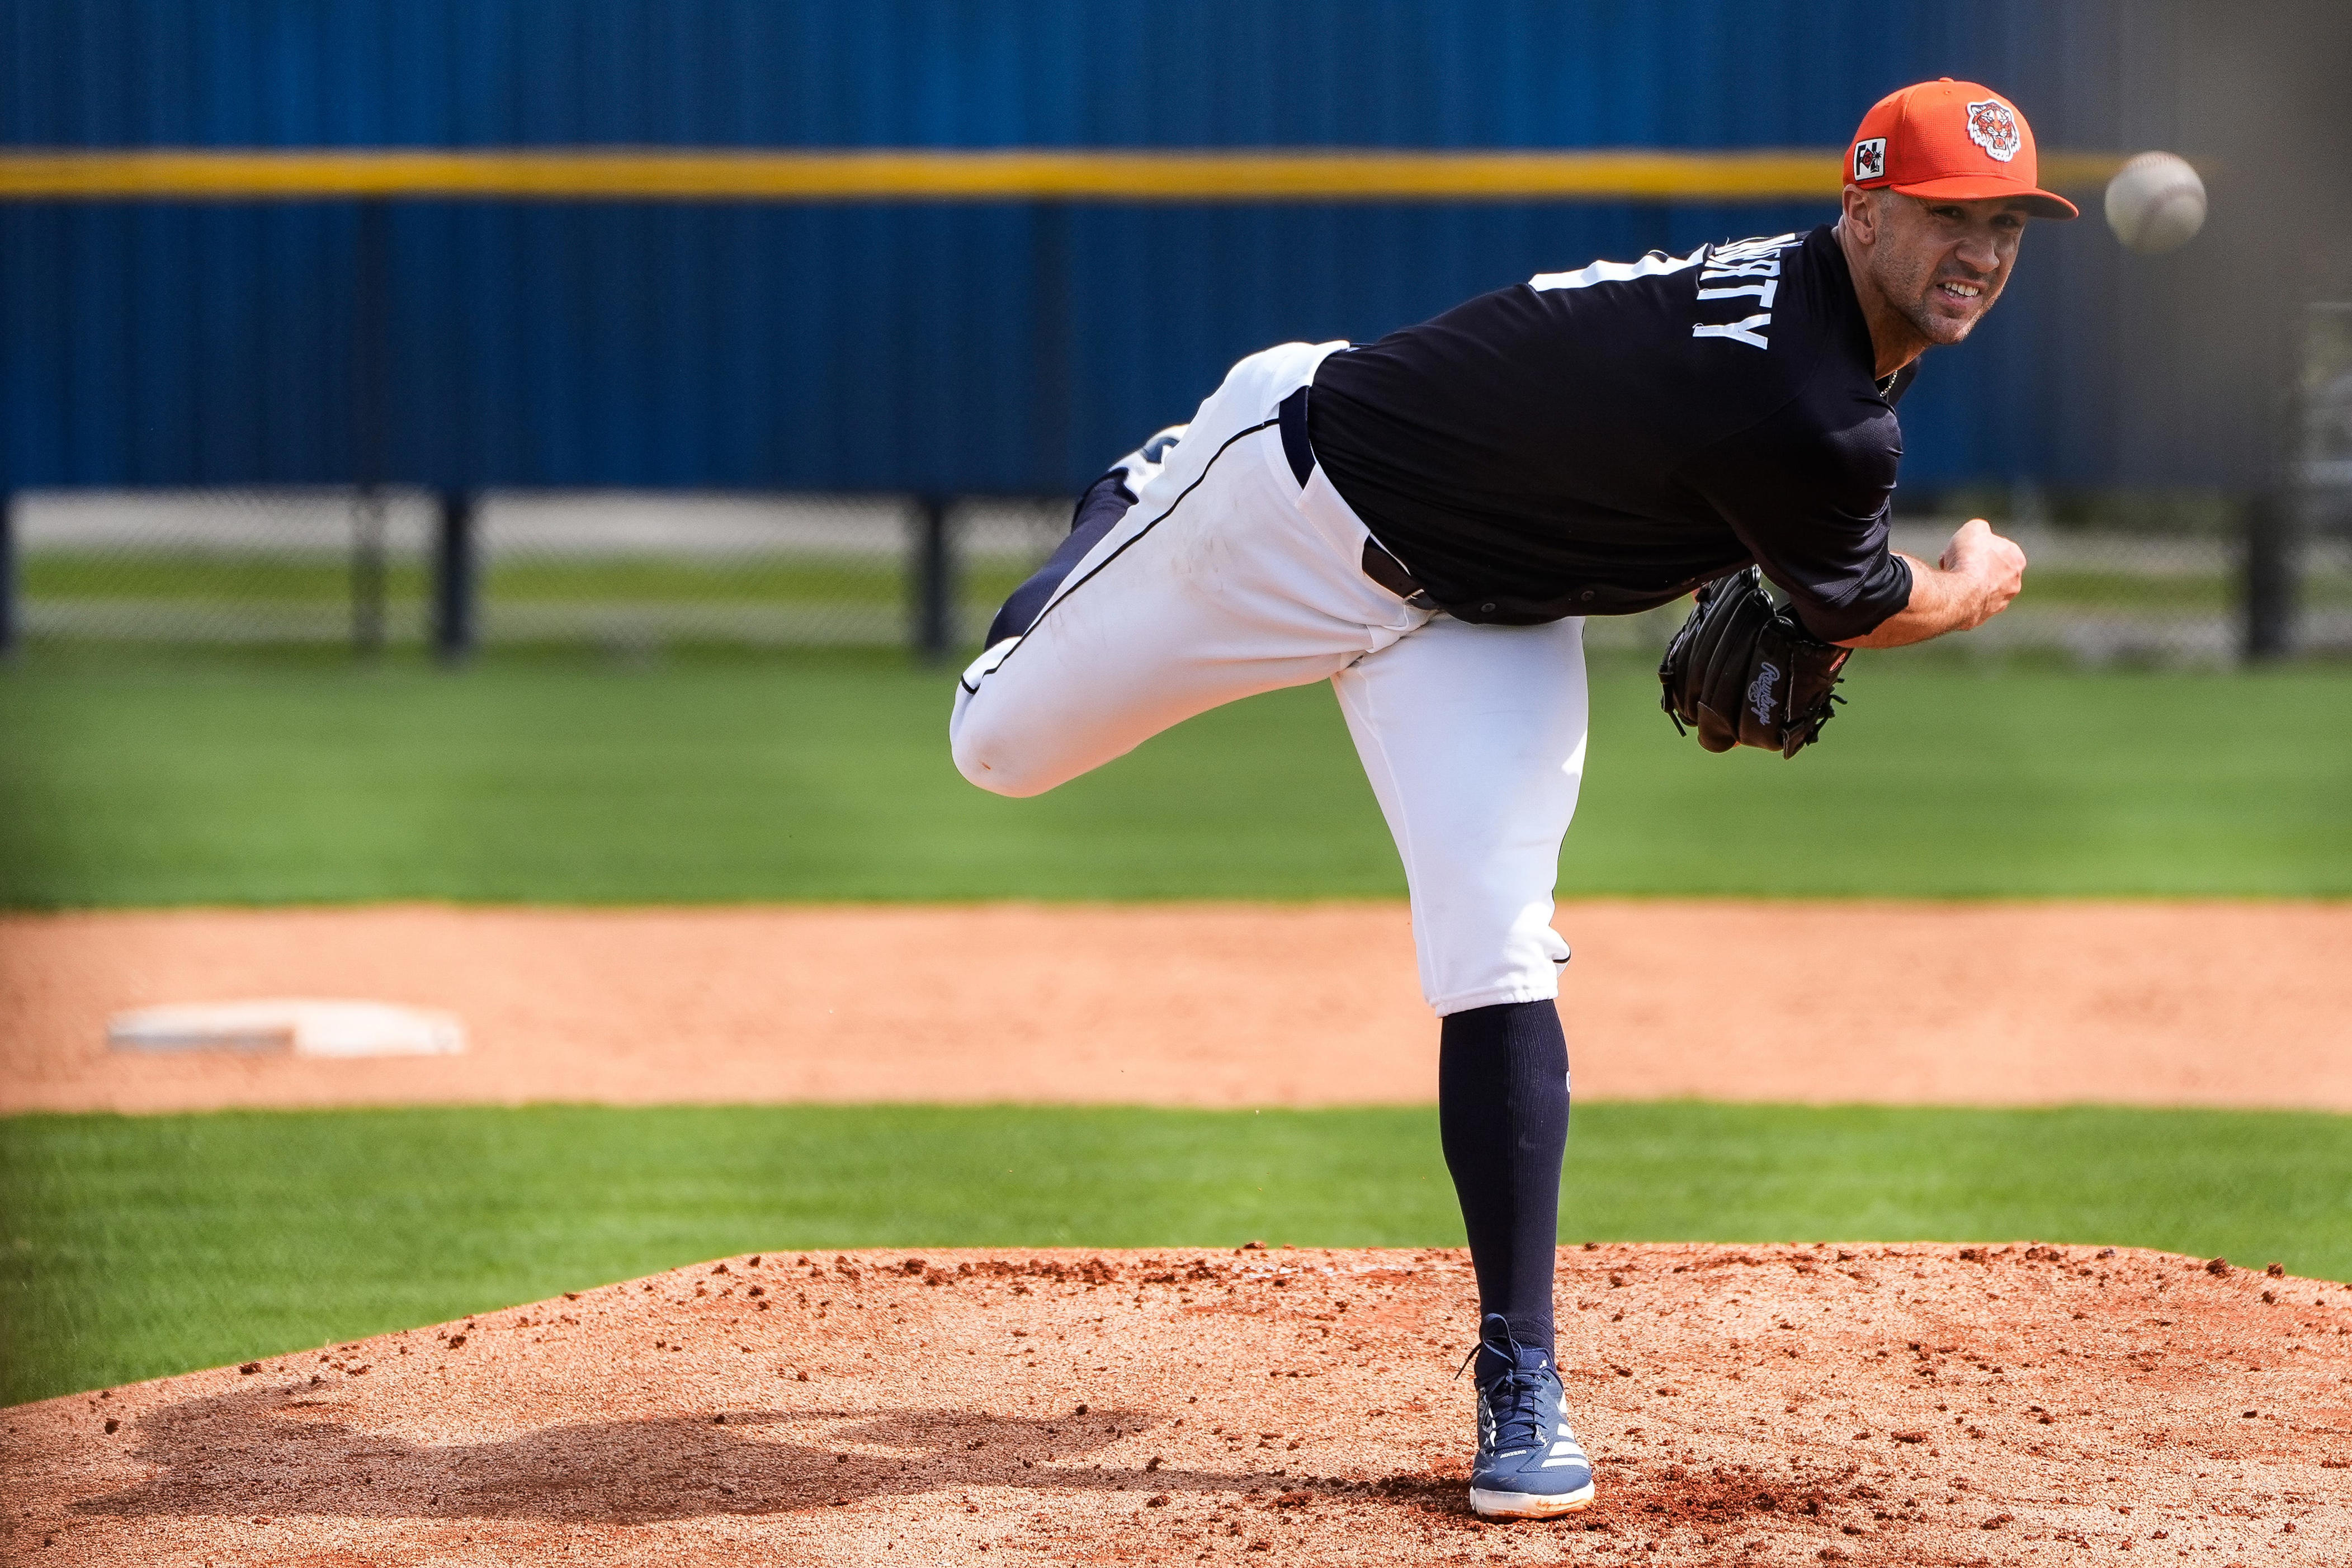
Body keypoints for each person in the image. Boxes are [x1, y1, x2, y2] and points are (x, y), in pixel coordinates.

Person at [947, 78, 2062, 1520]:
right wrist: (1971, 586)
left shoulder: (1828, 342)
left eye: (2007, 225)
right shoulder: (1811, 392)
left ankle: (1519, 1374)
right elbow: (1850, 591)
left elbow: (1755, 508)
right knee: (998, 745)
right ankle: (1139, 491)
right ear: (1861, 210)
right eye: (1943, 216)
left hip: (1493, 614)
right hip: (1295, 509)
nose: (1977, 249)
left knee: (1496, 942)